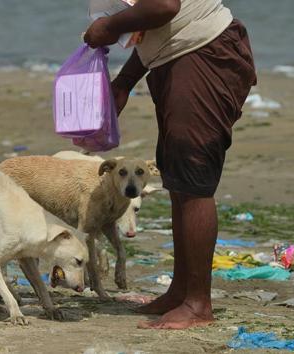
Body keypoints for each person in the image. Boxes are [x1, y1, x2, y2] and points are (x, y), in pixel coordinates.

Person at [84, 0, 256, 329]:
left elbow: (164, 6)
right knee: (176, 176)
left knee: (193, 180)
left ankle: (198, 304)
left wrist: (109, 27)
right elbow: (157, 29)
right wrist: (124, 82)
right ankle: (181, 292)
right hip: (177, 56)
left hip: (203, 53)